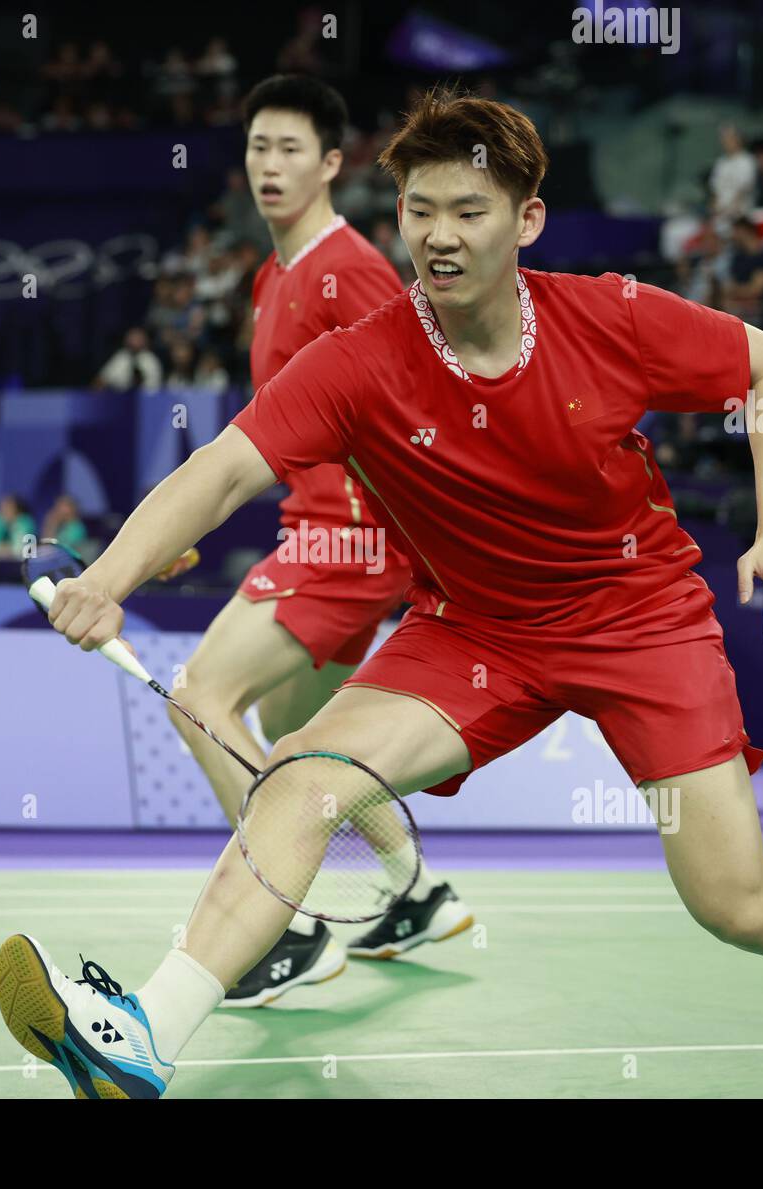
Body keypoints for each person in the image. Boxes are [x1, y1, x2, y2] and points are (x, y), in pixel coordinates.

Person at [0, 90, 763, 1101]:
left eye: (468, 212)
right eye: (418, 209)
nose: (438, 237)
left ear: (526, 219)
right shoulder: (359, 363)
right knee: (304, 781)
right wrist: (108, 577)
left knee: (739, 906)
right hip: (474, 630)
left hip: (639, 623)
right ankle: (147, 1034)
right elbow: (223, 469)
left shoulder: (606, 317)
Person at [151, 76, 476, 1009]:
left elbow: (430, 387)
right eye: (258, 147)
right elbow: (272, 435)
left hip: (352, 540)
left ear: (332, 163)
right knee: (313, 745)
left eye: (291, 148)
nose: (270, 165)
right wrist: (184, 529)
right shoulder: (272, 277)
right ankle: (416, 892)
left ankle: (283, 924)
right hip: (319, 529)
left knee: (200, 693)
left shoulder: (353, 268)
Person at [93, 327, 163, 392]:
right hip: (120, 398)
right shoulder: (121, 357)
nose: (134, 342)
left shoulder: (151, 359)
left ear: (145, 340)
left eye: (138, 339)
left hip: (146, 399)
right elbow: (101, 379)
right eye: (132, 338)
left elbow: (156, 387)